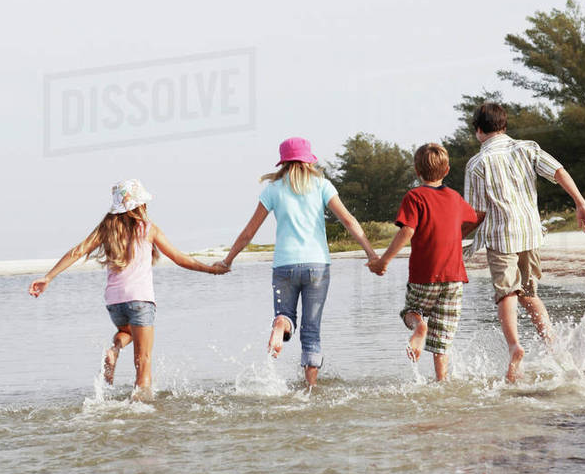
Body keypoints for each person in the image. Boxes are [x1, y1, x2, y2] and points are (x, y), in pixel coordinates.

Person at [28, 179, 228, 400]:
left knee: (127, 333)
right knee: (143, 361)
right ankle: (141, 414)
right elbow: (180, 258)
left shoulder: (107, 228)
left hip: (115, 302)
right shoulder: (148, 229)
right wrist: (210, 270)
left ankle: (114, 349)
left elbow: (78, 251)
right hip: (141, 300)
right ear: (140, 205)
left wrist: (49, 277)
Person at [214, 137, 380, 387]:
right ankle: (310, 387)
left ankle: (281, 323)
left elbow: (249, 232)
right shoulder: (323, 185)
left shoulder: (272, 190)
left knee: (285, 314)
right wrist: (371, 253)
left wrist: (227, 261)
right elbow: (348, 220)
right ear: (308, 160)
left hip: (284, 266)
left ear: (283, 162)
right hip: (317, 266)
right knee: (311, 330)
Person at [464, 101, 585, 382]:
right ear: (504, 125)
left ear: (478, 130)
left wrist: (456, 236)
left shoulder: (477, 163)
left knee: (506, 293)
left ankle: (514, 347)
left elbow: (477, 213)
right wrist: (580, 204)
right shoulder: (527, 148)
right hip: (530, 233)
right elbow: (558, 171)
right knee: (529, 293)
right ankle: (552, 345)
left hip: (501, 236)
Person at [371, 143, 478, 381]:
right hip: (454, 277)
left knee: (410, 311)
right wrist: (458, 234)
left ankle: (419, 326)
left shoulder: (414, 196)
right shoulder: (454, 197)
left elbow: (406, 231)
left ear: (416, 171)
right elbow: (474, 217)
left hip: (424, 275)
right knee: (443, 338)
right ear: (447, 169)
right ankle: (442, 381)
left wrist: (383, 261)